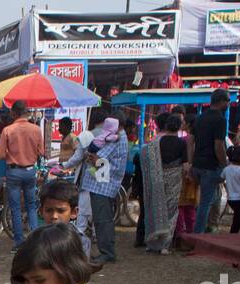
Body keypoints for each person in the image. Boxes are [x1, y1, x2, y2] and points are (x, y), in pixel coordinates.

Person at [64, 114, 129, 266]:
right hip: (101, 183)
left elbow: (98, 158)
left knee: (102, 219)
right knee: (100, 219)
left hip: (103, 185)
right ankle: (106, 251)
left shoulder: (117, 138)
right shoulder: (116, 136)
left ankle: (107, 252)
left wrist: (92, 158)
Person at [140, 113, 187, 255]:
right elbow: (185, 165)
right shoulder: (181, 143)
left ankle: (151, 242)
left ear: (166, 126)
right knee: (171, 211)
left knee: (155, 207)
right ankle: (165, 245)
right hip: (174, 179)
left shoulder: (156, 142)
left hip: (157, 178)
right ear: (179, 127)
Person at [0, 101, 44, 240]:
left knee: (15, 208)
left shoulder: (8, 130)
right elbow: (41, 152)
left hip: (14, 171)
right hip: (30, 171)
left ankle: (19, 241)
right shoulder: (36, 129)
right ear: (26, 112)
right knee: (31, 206)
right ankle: (35, 239)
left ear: (13, 113)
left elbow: (0, 155)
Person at [190, 90, 231, 234]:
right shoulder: (220, 120)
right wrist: (225, 164)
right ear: (221, 101)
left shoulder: (199, 118)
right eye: (227, 100)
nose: (228, 104)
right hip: (211, 165)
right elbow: (218, 145)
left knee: (209, 198)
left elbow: (190, 141)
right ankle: (199, 233)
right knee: (205, 202)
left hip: (197, 165)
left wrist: (190, 162)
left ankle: (204, 227)